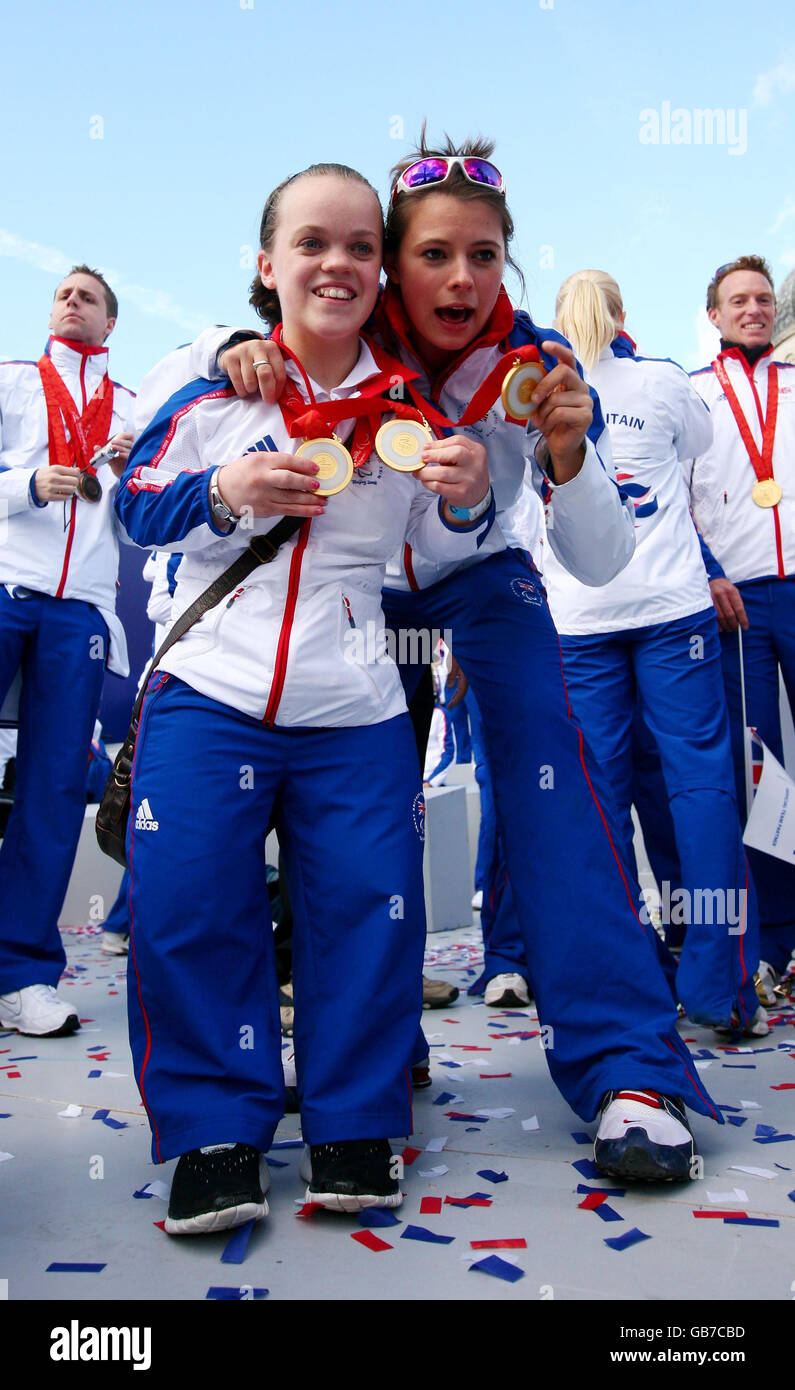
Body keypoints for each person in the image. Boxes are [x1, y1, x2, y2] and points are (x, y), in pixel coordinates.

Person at [188, 133, 722, 1183]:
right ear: (391, 261)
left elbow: (598, 559)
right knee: (360, 824)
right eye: (434, 254)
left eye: (485, 255)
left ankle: (629, 1068)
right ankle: (370, 1053)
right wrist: (223, 349)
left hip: (486, 584)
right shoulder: (330, 334)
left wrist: (569, 454)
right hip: (355, 600)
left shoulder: (536, 369)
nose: (463, 279)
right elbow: (210, 362)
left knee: (557, 794)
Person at [115, 162, 494, 1233]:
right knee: (191, 905)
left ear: (380, 271)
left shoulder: (409, 408)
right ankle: (215, 1133)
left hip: (355, 706)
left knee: (370, 910)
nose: (340, 263)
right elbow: (134, 510)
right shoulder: (208, 383)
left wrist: (467, 503)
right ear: (268, 264)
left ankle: (354, 1120)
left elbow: (428, 548)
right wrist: (222, 493)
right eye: (314, 243)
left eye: (363, 246)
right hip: (209, 691)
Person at [547, 269, 764, 1035]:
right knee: (700, 786)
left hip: (579, 617)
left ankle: (625, 981)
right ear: (622, 317)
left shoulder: (533, 389)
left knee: (596, 799)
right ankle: (720, 988)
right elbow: (697, 446)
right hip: (673, 609)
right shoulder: (663, 381)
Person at [0, 266, 133, 1037]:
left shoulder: (137, 412)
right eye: (61, 292)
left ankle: (21, 973)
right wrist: (24, 485)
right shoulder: (13, 380)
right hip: (6, 587)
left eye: (87, 295)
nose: (70, 300)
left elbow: (156, 512)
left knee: (52, 792)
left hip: (79, 611)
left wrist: (134, 468)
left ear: (110, 322)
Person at [687, 256, 795, 994]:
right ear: (715, 316)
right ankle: (774, 947)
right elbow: (671, 495)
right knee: (760, 774)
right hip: (739, 602)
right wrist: (706, 569)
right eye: (738, 301)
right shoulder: (692, 396)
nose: (753, 309)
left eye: (761, 298)